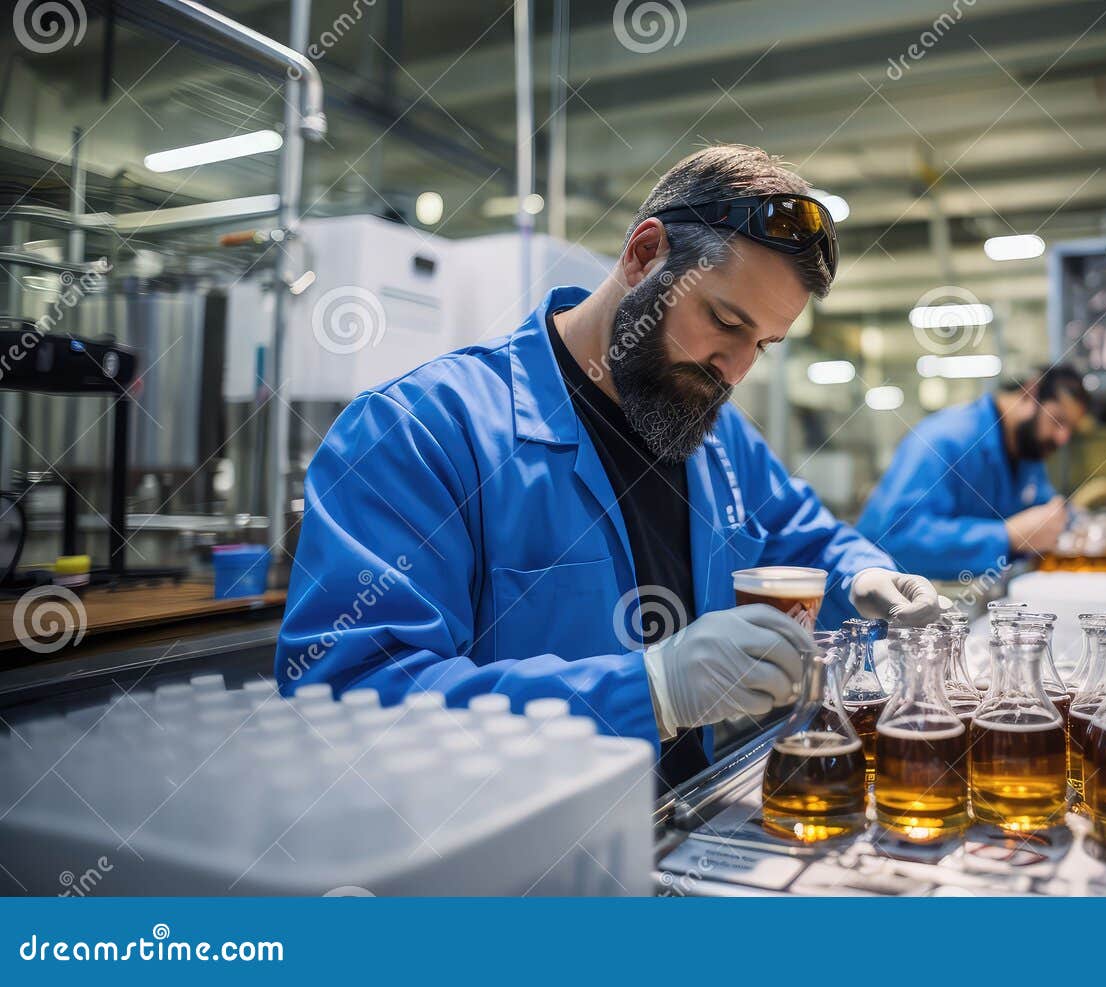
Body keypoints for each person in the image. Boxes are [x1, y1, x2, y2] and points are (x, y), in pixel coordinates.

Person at [276, 145, 940, 787]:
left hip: (676, 837)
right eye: (725, 321)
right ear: (645, 254)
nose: (736, 370)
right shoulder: (425, 431)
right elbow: (347, 697)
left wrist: (865, 577)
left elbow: (799, 535)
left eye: (762, 344)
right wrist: (648, 692)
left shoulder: (714, 428)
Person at [856, 367, 1091, 580]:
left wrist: (1065, 516)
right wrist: (1007, 536)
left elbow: (1043, 509)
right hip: (886, 604)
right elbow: (897, 538)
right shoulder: (944, 440)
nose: (1063, 438)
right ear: (1029, 393)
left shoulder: (1027, 451)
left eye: (1071, 428)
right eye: (1058, 420)